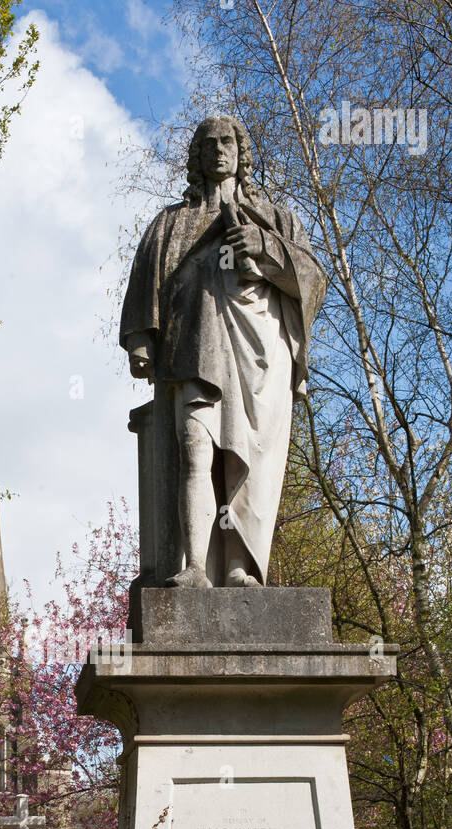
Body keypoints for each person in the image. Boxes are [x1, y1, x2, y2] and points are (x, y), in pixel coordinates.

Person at [121, 114, 326, 588]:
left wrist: (264, 246)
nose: (219, 149)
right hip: (193, 347)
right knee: (195, 448)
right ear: (197, 155)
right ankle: (195, 566)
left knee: (244, 460)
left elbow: (312, 282)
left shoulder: (276, 220)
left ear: (242, 151)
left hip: (258, 358)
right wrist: (139, 338)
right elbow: (146, 281)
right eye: (209, 143)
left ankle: (239, 568)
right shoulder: (172, 223)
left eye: (228, 141)